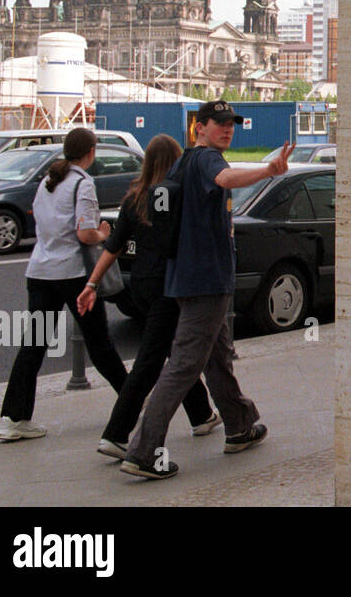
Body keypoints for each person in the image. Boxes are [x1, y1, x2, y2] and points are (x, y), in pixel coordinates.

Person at [121, 99, 294, 479]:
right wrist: (268, 170)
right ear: (199, 127)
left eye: (231, 123)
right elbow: (226, 179)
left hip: (185, 277)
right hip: (206, 279)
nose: (227, 129)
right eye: (219, 123)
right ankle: (142, 451)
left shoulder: (183, 162)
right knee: (184, 365)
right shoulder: (208, 160)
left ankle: (239, 425)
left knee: (216, 358)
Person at [76, 134, 220, 461]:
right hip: (168, 286)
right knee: (150, 361)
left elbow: (113, 247)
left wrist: (92, 284)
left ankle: (202, 414)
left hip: (141, 285)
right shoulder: (177, 196)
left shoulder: (135, 199)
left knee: (174, 350)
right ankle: (116, 433)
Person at [0, 128, 129, 441]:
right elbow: (85, 234)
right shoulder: (83, 184)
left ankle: (13, 418)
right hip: (73, 274)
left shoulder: (48, 181)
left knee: (34, 344)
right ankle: (131, 398)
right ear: (91, 152)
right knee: (99, 343)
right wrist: (103, 234)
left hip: (40, 271)